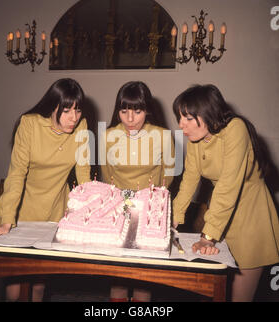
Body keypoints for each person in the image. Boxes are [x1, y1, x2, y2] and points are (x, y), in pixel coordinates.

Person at [172, 84, 279, 302]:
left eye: (188, 118)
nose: (180, 125)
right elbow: (189, 180)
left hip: (250, 217)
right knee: (211, 291)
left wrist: (208, 236)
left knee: (240, 297)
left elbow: (229, 184)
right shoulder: (196, 139)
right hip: (219, 213)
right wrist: (172, 218)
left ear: (207, 113)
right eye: (180, 118)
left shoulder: (236, 128)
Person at [0, 78, 91, 301]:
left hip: (55, 211)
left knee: (38, 286)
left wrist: (86, 217)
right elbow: (16, 174)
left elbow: (83, 177)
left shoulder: (81, 127)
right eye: (66, 111)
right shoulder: (29, 124)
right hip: (21, 210)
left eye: (78, 110)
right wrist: (7, 219)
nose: (74, 117)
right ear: (52, 106)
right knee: (15, 286)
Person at [100, 81, 175, 302]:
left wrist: (151, 206)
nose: (130, 119)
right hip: (118, 210)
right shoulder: (108, 136)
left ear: (148, 110)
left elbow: (167, 177)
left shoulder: (163, 136)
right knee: (118, 278)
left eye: (137, 111)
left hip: (151, 210)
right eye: (124, 111)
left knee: (143, 280)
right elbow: (107, 176)